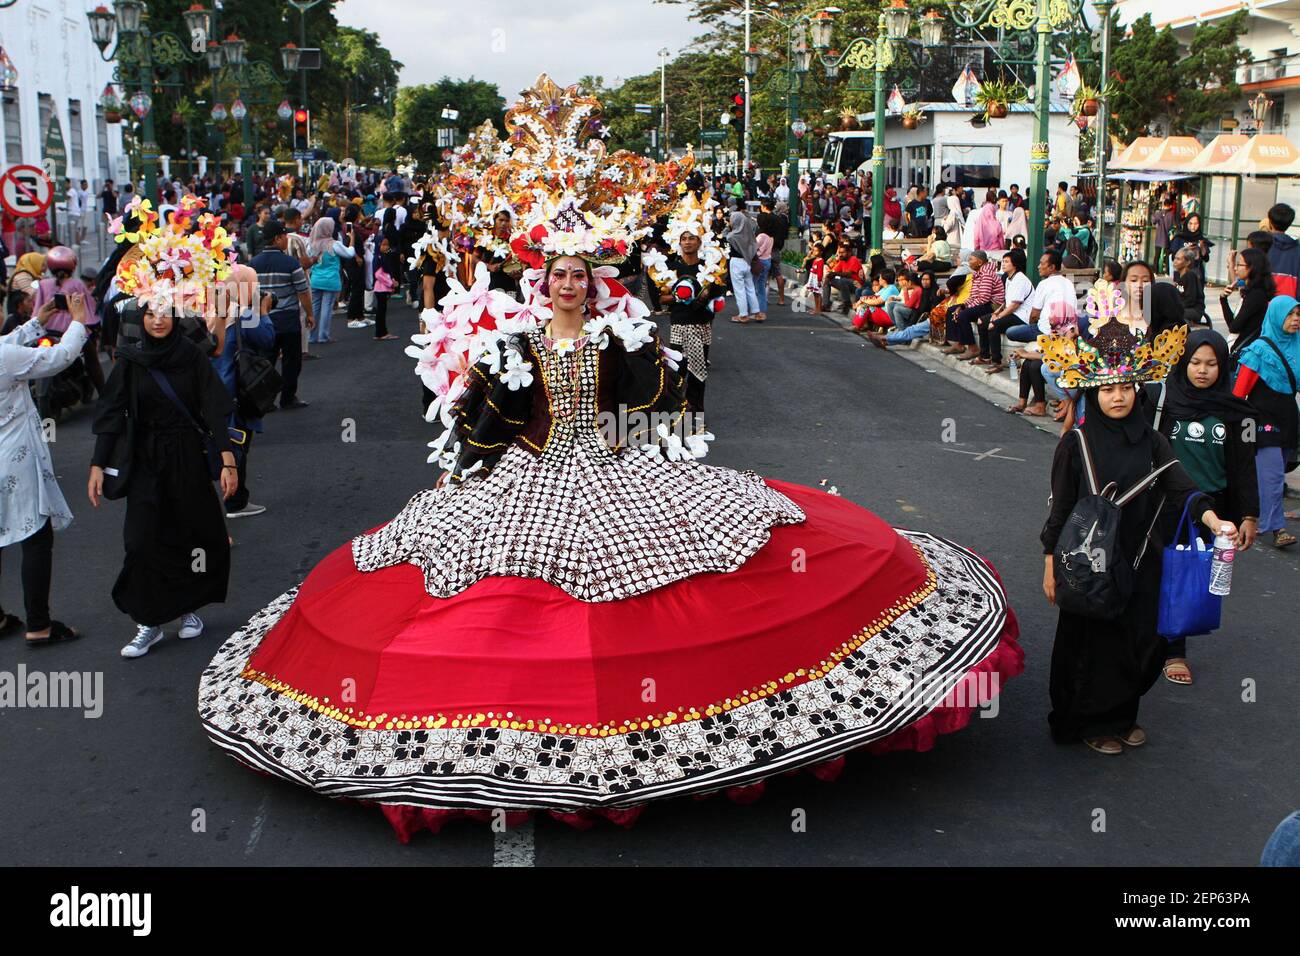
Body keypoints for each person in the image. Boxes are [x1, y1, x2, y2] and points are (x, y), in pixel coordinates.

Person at [195, 79, 1021, 832]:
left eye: (579, 273)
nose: (567, 283)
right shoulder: (510, 342)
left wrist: (668, 386)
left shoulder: (619, 337)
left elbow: (661, 408)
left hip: (614, 466)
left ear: (593, 281)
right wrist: (463, 460)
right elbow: (480, 423)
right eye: (557, 272)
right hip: (530, 476)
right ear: (540, 278)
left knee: (700, 568)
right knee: (486, 594)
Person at [1039, 321, 1236, 754]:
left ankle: (1123, 715)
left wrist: (1215, 521)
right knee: (1094, 644)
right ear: (1094, 393)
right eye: (1108, 389)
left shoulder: (1152, 441)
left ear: (1138, 390)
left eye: (1126, 387)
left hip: (1142, 558)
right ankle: (1091, 722)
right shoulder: (1077, 442)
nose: (1118, 396)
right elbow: (1060, 508)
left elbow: (1183, 487)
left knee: (1140, 640)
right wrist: (1050, 561)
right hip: (1089, 565)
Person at [88, 201, 240, 657]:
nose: (158, 319)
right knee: (141, 540)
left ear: (176, 314)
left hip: (187, 458)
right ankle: (148, 620)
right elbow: (112, 412)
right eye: (150, 311)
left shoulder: (191, 357)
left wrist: (227, 460)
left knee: (192, 533)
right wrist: (98, 463)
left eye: (165, 312)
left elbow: (215, 408)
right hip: (145, 458)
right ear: (141, 313)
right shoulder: (131, 361)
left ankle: (190, 608)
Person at [1142, 328, 1259, 686]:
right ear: (1183, 362)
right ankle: (1144, 639)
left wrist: (1248, 516)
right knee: (1150, 572)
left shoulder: (1237, 413)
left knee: (1188, 577)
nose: (1202, 370)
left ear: (1223, 367)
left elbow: (1243, 467)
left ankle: (1176, 650)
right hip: (1161, 502)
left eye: (1211, 364)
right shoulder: (1160, 399)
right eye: (1195, 362)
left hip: (1212, 510)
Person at [0, 292, 92, 645]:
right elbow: (58, 357)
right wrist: (79, 321)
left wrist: (37, 321)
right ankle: (38, 624)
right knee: (36, 537)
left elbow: (10, 344)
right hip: (14, 458)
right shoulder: (6, 358)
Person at [1231, 295, 1300, 549]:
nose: (1295, 320)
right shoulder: (1259, 350)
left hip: (1289, 417)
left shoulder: (1298, 344)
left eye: (1298, 315)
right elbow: (1239, 393)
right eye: (1290, 315)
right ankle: (1277, 528)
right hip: (1260, 420)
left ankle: (1253, 517)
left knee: (1273, 473)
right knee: (1272, 474)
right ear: (1277, 316)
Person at [213, 264, 276, 520]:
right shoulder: (243, 313)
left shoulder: (213, 308)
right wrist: (263, 311)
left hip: (215, 387)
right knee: (237, 444)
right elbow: (267, 338)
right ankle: (235, 501)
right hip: (237, 390)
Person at [250, 220, 314, 410]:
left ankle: (266, 400)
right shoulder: (291, 263)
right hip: (287, 319)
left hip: (263, 320)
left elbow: (250, 294)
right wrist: (310, 314)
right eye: (284, 235)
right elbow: (302, 291)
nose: (287, 238)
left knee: (265, 361)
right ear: (277, 238)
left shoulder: (253, 264)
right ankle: (288, 397)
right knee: (291, 361)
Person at [975, 248, 1033, 372]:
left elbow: (1014, 305)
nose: (1003, 264)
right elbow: (1007, 302)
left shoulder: (1020, 279)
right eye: (1003, 261)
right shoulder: (1008, 278)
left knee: (993, 325)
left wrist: (999, 316)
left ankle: (997, 362)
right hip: (1012, 312)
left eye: (1006, 261)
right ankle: (984, 356)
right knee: (981, 321)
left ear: (1015, 264)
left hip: (1022, 316)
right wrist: (996, 313)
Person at [306, 216, 356, 344]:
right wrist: (352, 241)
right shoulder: (334, 244)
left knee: (315, 307)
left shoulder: (311, 243)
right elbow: (349, 254)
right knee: (327, 308)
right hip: (331, 280)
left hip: (315, 279)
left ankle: (311, 336)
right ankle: (324, 335)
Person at [945, 250, 1002, 361]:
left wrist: (964, 308)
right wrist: (962, 306)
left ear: (979, 262)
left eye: (971, 259)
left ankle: (973, 348)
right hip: (983, 303)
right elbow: (974, 296)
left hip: (992, 306)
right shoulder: (978, 274)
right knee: (952, 309)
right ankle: (959, 344)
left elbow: (984, 298)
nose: (969, 262)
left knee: (963, 315)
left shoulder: (987, 275)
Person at [1220, 246, 1274, 356]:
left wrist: (1224, 300)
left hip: (1246, 352)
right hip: (1245, 349)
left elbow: (1234, 327)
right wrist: (1223, 299)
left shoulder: (1256, 295)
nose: (1235, 268)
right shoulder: (1251, 291)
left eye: (1239, 264)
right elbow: (1233, 325)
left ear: (1251, 268)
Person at [724, 206, 758, 324]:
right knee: (750, 288)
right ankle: (756, 311)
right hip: (747, 261)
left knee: (739, 289)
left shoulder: (732, 236)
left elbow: (725, 235)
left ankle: (743, 314)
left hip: (736, 262)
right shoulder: (749, 234)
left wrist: (728, 227)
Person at [1263, 202, 1299, 297]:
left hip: (1264, 304)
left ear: (1270, 221)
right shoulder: (1297, 250)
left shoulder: (1261, 245)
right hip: (1290, 306)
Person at [823, 239, 865, 315]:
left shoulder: (853, 259)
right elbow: (834, 271)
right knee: (828, 279)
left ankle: (847, 304)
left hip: (856, 284)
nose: (840, 255)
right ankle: (825, 304)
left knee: (843, 280)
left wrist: (835, 274)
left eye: (843, 253)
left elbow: (849, 275)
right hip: (846, 284)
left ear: (849, 253)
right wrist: (829, 275)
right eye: (839, 253)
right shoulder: (842, 261)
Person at [1171, 246, 1206, 325]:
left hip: (1194, 309)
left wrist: (1175, 307)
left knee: (1171, 314)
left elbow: (1190, 299)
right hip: (1181, 308)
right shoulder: (1177, 275)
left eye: (1178, 259)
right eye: (1175, 258)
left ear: (1188, 262)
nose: (1175, 261)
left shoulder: (1190, 276)